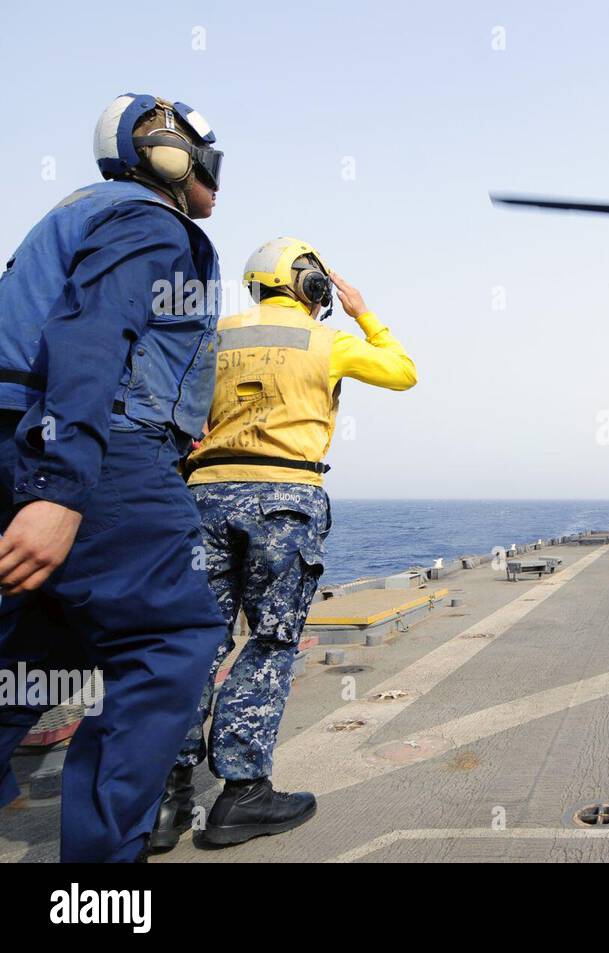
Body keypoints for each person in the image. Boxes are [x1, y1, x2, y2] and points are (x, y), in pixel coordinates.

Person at [0, 93, 227, 862]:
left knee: (39, 647)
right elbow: (91, 332)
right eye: (205, 157)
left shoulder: (75, 216)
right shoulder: (146, 219)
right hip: (88, 442)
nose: (215, 177)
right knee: (171, 635)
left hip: (23, 431)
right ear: (163, 152)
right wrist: (63, 489)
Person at [150, 238, 417, 850]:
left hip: (204, 497)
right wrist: (363, 312)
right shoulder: (328, 340)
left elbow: (176, 409)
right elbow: (404, 372)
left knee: (194, 642)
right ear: (311, 286)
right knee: (269, 641)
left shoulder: (216, 334)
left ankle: (165, 800)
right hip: (284, 498)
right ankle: (242, 796)